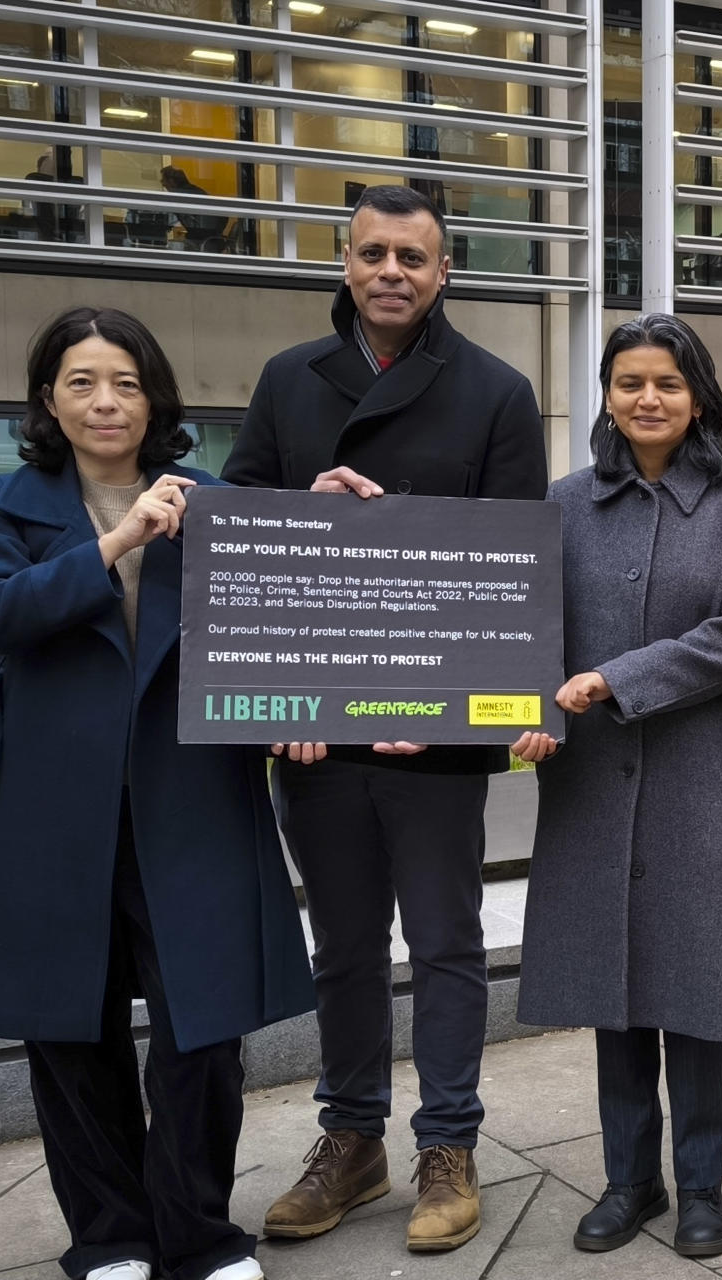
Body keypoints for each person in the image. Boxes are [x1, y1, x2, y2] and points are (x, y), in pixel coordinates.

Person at [0, 306, 317, 1280]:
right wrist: (118, 539)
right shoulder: (9, 499)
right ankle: (111, 1234)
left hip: (189, 801)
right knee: (69, 1026)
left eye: (126, 381)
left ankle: (201, 1233)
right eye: (83, 380)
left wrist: (298, 698)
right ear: (50, 396)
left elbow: (263, 639)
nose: (106, 400)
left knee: (202, 1027)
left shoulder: (213, 500)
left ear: (154, 396)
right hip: (53, 812)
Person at [222, 184, 547, 1253]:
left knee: (448, 944)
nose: (393, 271)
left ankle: (448, 1144)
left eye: (414, 255)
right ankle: (351, 1139)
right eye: (374, 254)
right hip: (318, 731)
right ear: (345, 262)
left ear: (445, 269)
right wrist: (296, 513)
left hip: (434, 739)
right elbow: (234, 545)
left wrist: (456, 718)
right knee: (344, 947)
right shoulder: (285, 383)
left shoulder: (497, 392)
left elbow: (511, 573)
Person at [511, 314, 722, 1259]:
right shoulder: (566, 501)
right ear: (608, 396)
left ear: (699, 394)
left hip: (704, 781)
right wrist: (530, 713)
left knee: (690, 993)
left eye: (667, 382)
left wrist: (616, 680)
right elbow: (530, 633)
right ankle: (629, 1179)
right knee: (611, 991)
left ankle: (701, 1184)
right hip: (591, 784)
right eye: (629, 382)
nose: (648, 399)